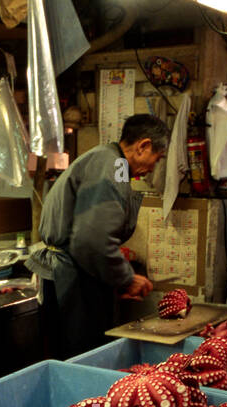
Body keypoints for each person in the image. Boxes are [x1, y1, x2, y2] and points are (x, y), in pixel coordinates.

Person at [28, 113, 167, 359]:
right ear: (143, 146)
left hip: (77, 273)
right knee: (81, 358)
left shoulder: (114, 163)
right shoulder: (110, 165)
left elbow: (102, 225)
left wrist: (113, 275)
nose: (154, 167)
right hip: (72, 279)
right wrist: (126, 277)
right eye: (158, 158)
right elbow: (92, 241)